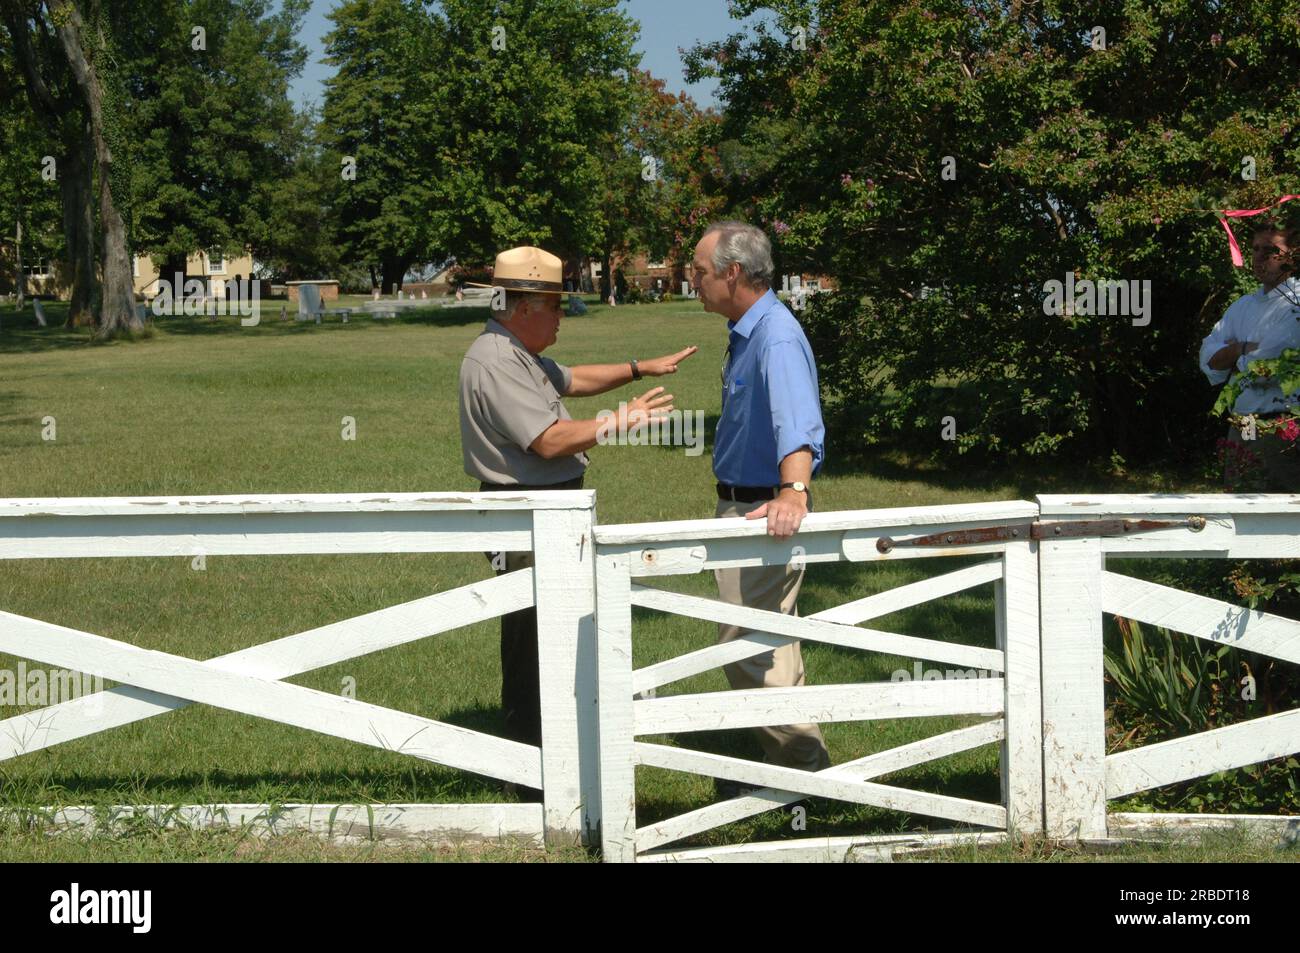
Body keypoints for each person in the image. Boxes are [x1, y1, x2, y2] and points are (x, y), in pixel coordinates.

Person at [458, 245, 697, 792]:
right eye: (557, 306)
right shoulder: (497, 360)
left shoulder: (514, 350)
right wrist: (623, 420)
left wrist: (640, 369)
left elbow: (573, 380)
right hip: (526, 520)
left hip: (543, 517)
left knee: (550, 639)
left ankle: (552, 759)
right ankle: (531, 772)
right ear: (524, 308)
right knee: (532, 647)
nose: (563, 315)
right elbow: (550, 440)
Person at [690, 220, 832, 782]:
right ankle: (791, 771)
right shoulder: (749, 329)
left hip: (760, 515)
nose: (692, 281)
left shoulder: (774, 334)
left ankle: (808, 774)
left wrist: (792, 492)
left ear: (732, 272)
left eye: (699, 272)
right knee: (774, 647)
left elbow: (797, 422)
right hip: (749, 507)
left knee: (745, 649)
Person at [1199, 220, 1300, 490]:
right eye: (1255, 249)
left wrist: (1234, 355)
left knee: (1281, 516)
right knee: (1237, 512)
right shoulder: (1243, 306)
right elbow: (1207, 358)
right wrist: (1241, 349)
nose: (1259, 257)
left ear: (1294, 253)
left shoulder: (1296, 303)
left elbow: (1266, 365)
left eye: (1269, 250)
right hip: (1241, 424)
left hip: (1279, 427)